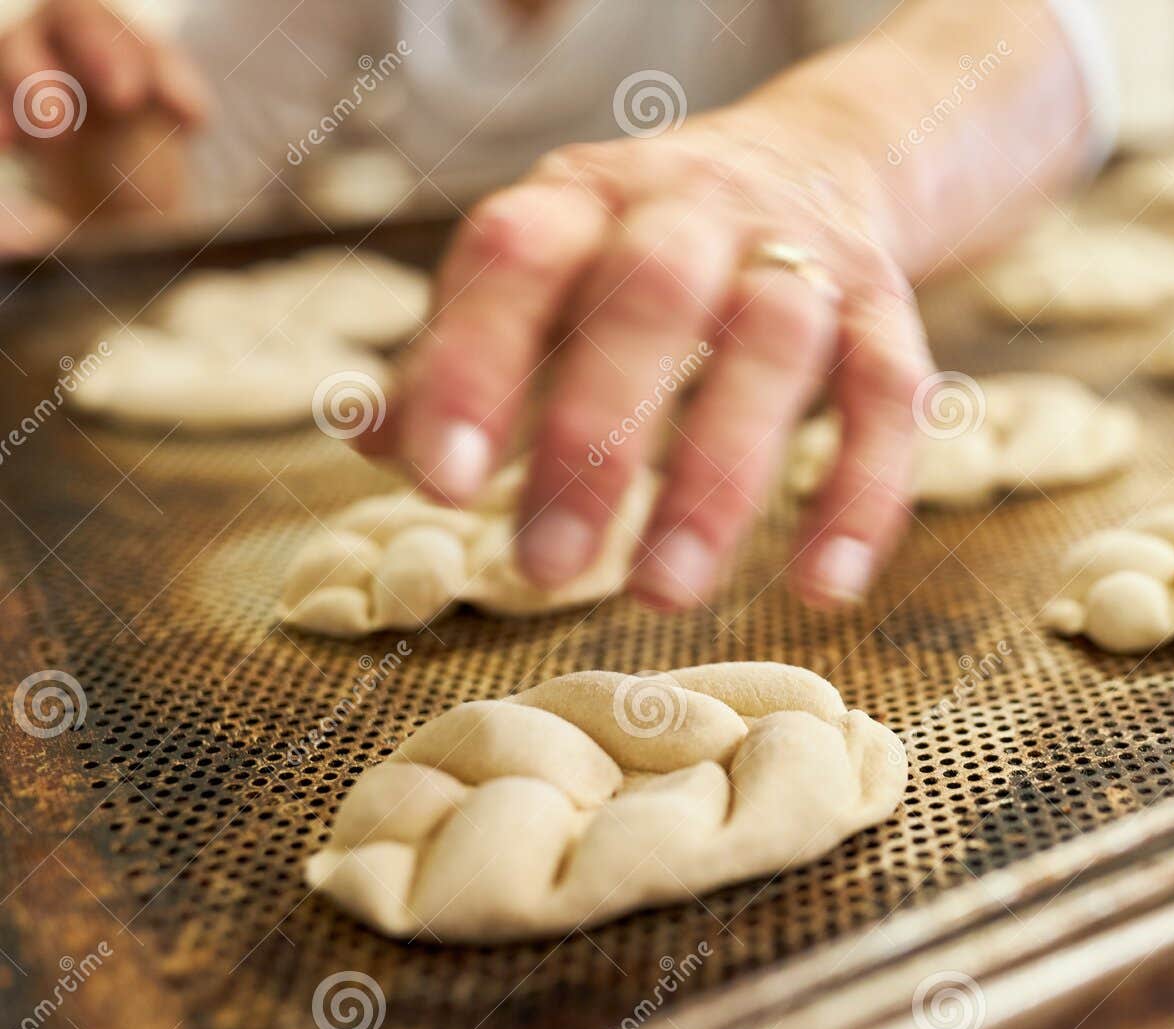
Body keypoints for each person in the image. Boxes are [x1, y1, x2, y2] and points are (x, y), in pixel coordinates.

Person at [0, 0, 1115, 610]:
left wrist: (820, 162)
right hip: (455, 429)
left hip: (834, 424)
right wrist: (102, 144)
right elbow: (189, 225)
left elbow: (1027, 45)